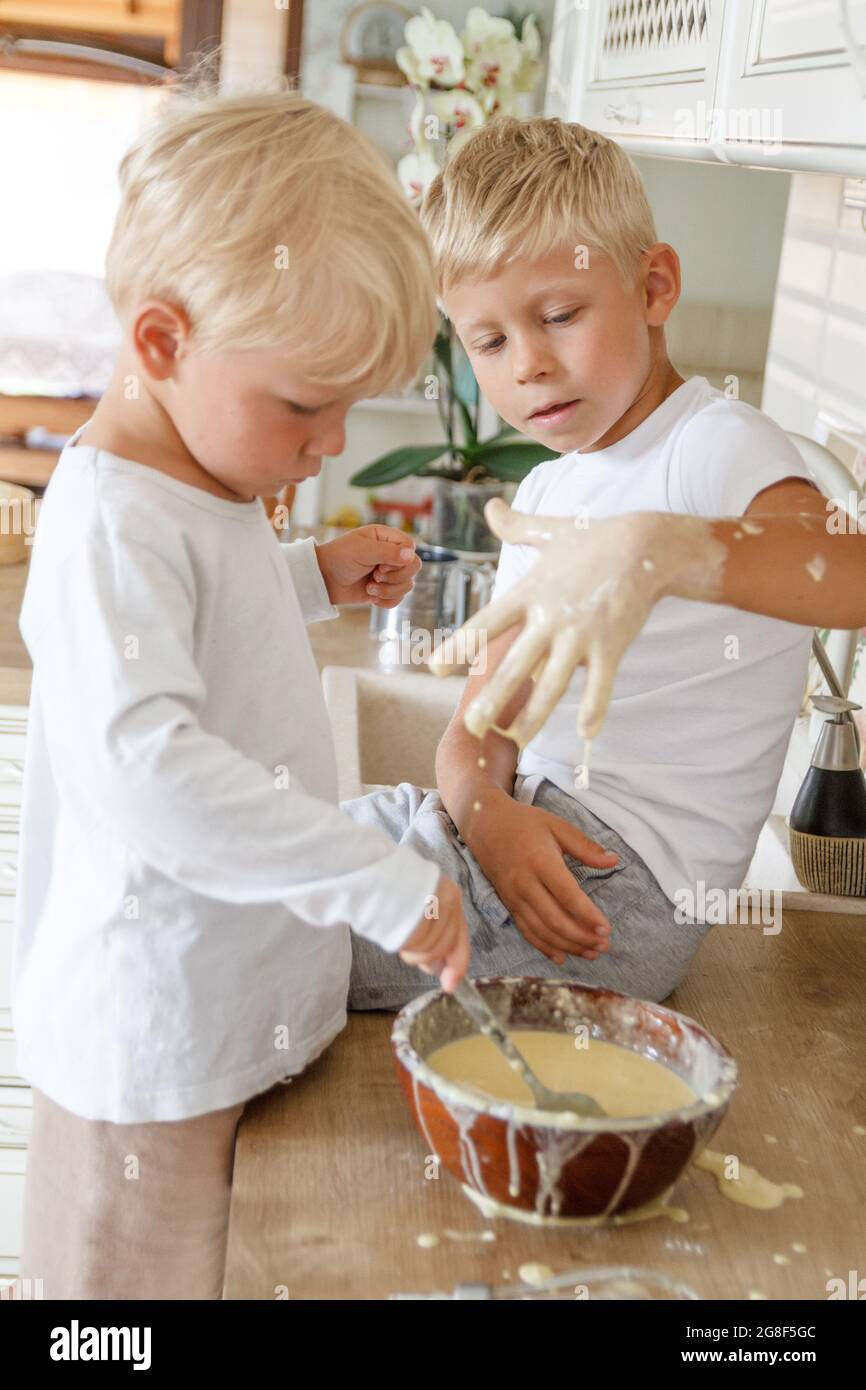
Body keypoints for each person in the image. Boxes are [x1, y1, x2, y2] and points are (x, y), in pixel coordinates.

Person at [9, 82, 468, 1301]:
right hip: (145, 1044)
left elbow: (206, 619)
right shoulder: (107, 519)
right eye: (306, 405)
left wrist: (306, 577)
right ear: (162, 344)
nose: (328, 446)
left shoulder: (196, 487)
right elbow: (149, 767)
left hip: (218, 1019)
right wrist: (371, 876)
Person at [345, 114, 845, 1013]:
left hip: (615, 883)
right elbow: (482, 726)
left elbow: (846, 571)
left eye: (560, 316)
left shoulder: (712, 445)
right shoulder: (540, 495)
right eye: (489, 342)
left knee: (252, 933)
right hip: (513, 829)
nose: (529, 365)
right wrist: (485, 813)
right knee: (250, 864)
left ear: (654, 287)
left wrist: (663, 548)